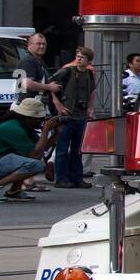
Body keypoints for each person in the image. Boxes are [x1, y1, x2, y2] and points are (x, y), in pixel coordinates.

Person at [0, 99, 58, 203]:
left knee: (29, 159)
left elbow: (42, 148)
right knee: (35, 164)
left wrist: (56, 134)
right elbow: (35, 155)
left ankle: (15, 190)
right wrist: (45, 130)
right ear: (28, 118)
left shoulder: (24, 126)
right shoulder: (13, 128)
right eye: (39, 119)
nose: (42, 121)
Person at [50, 46, 95, 189]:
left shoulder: (89, 73)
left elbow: (92, 91)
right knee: (62, 148)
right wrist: (57, 103)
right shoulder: (67, 71)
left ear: (88, 61)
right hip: (66, 115)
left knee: (77, 149)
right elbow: (50, 85)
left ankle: (77, 177)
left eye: (83, 57)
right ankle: (61, 178)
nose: (79, 59)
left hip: (80, 116)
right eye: (78, 56)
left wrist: (90, 107)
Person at [16, 32, 62, 107]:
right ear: (30, 45)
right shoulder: (28, 60)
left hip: (36, 105)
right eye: (38, 44)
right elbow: (27, 84)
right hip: (29, 107)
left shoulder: (38, 60)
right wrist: (49, 87)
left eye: (44, 44)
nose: (42, 46)